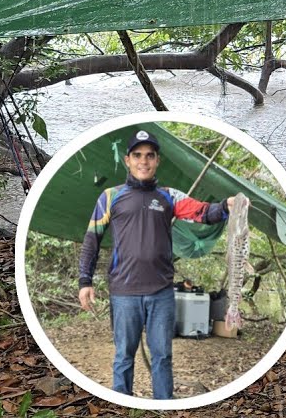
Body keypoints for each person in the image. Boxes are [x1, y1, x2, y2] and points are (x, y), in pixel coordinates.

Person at [77, 130, 237, 399]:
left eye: (149, 156)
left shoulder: (168, 196)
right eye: (137, 155)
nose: (144, 161)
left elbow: (202, 213)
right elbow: (92, 239)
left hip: (161, 293)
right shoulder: (110, 196)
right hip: (124, 293)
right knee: (123, 356)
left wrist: (226, 205)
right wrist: (85, 282)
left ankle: (163, 404)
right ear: (127, 160)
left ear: (157, 161)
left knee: (162, 355)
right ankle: (122, 404)